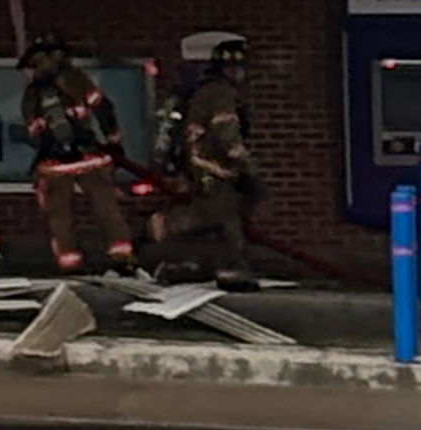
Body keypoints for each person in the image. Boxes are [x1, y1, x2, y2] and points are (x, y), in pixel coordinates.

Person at [20, 31, 136, 275]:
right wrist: (114, 141)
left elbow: (33, 134)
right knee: (107, 209)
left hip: (53, 165)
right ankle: (122, 256)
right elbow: (103, 108)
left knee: (59, 217)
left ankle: (70, 263)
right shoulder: (76, 79)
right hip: (89, 157)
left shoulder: (32, 95)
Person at [151, 30, 259, 285]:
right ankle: (231, 268)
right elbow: (225, 130)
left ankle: (193, 262)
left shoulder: (209, 90)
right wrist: (241, 160)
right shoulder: (220, 93)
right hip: (212, 165)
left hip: (204, 163)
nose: (242, 74)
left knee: (228, 209)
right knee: (225, 211)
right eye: (239, 68)